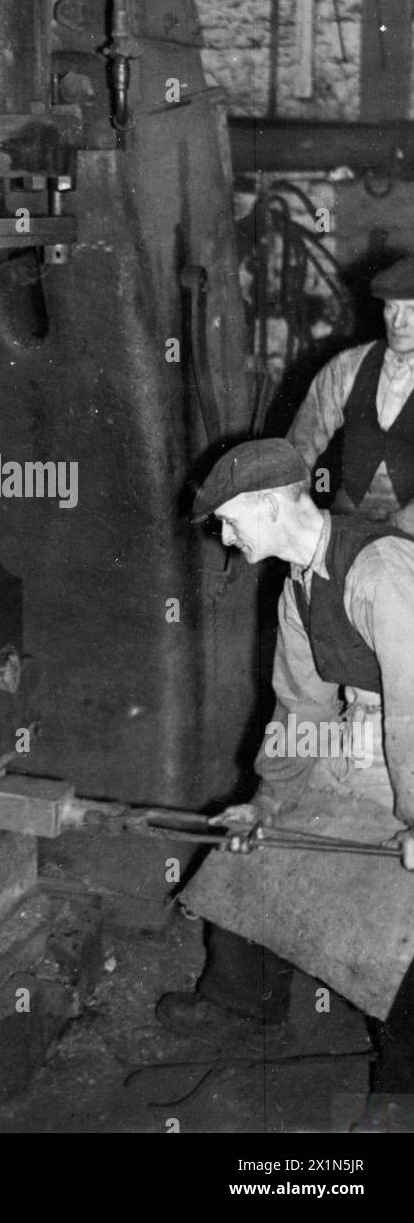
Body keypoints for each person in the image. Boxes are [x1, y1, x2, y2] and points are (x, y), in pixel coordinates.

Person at [156, 438, 414, 1125]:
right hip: (367, 742)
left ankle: (398, 1102)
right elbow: (299, 705)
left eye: (228, 517)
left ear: (271, 504)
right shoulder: (298, 584)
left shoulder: (379, 572)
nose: (222, 532)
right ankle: (243, 1002)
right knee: (256, 841)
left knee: (406, 928)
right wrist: (268, 797)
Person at [288, 254, 414, 531]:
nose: (398, 323)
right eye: (392, 309)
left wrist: (397, 527)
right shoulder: (348, 366)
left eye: (411, 310)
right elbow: (303, 440)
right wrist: (296, 505)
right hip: (350, 518)